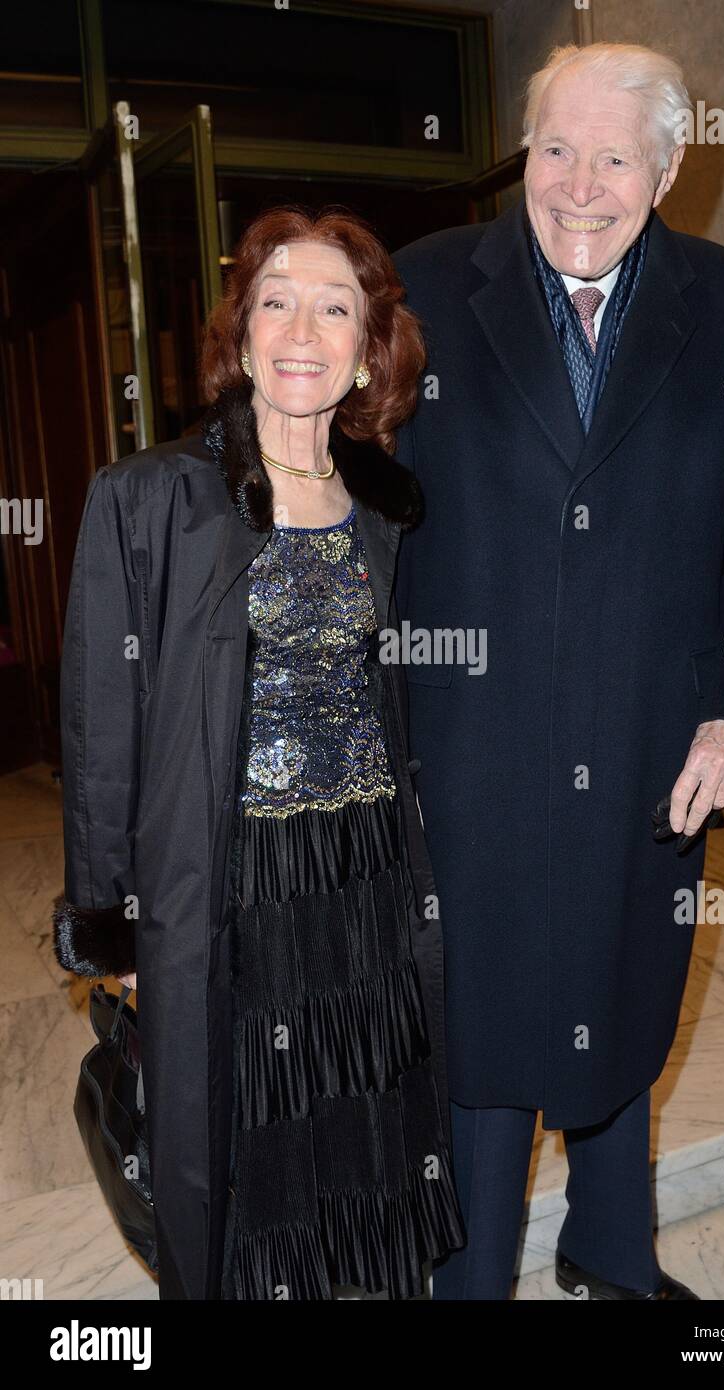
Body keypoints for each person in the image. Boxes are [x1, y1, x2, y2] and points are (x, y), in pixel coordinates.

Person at [392, 42, 724, 1300]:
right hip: (468, 744)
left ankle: (609, 1254)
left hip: (650, 741)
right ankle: (466, 1281)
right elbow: (354, 507)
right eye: (555, 150)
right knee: (481, 1028)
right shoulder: (422, 289)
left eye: (614, 156)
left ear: (669, 169)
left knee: (624, 995)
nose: (579, 186)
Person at [52, 206, 464, 1300]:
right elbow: (101, 735)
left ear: (370, 350)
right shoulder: (150, 499)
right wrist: (113, 920)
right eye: (274, 299)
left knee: (363, 1124)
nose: (300, 328)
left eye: (335, 307)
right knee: (237, 1150)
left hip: (365, 878)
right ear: (238, 339)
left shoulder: (387, 511)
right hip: (223, 883)